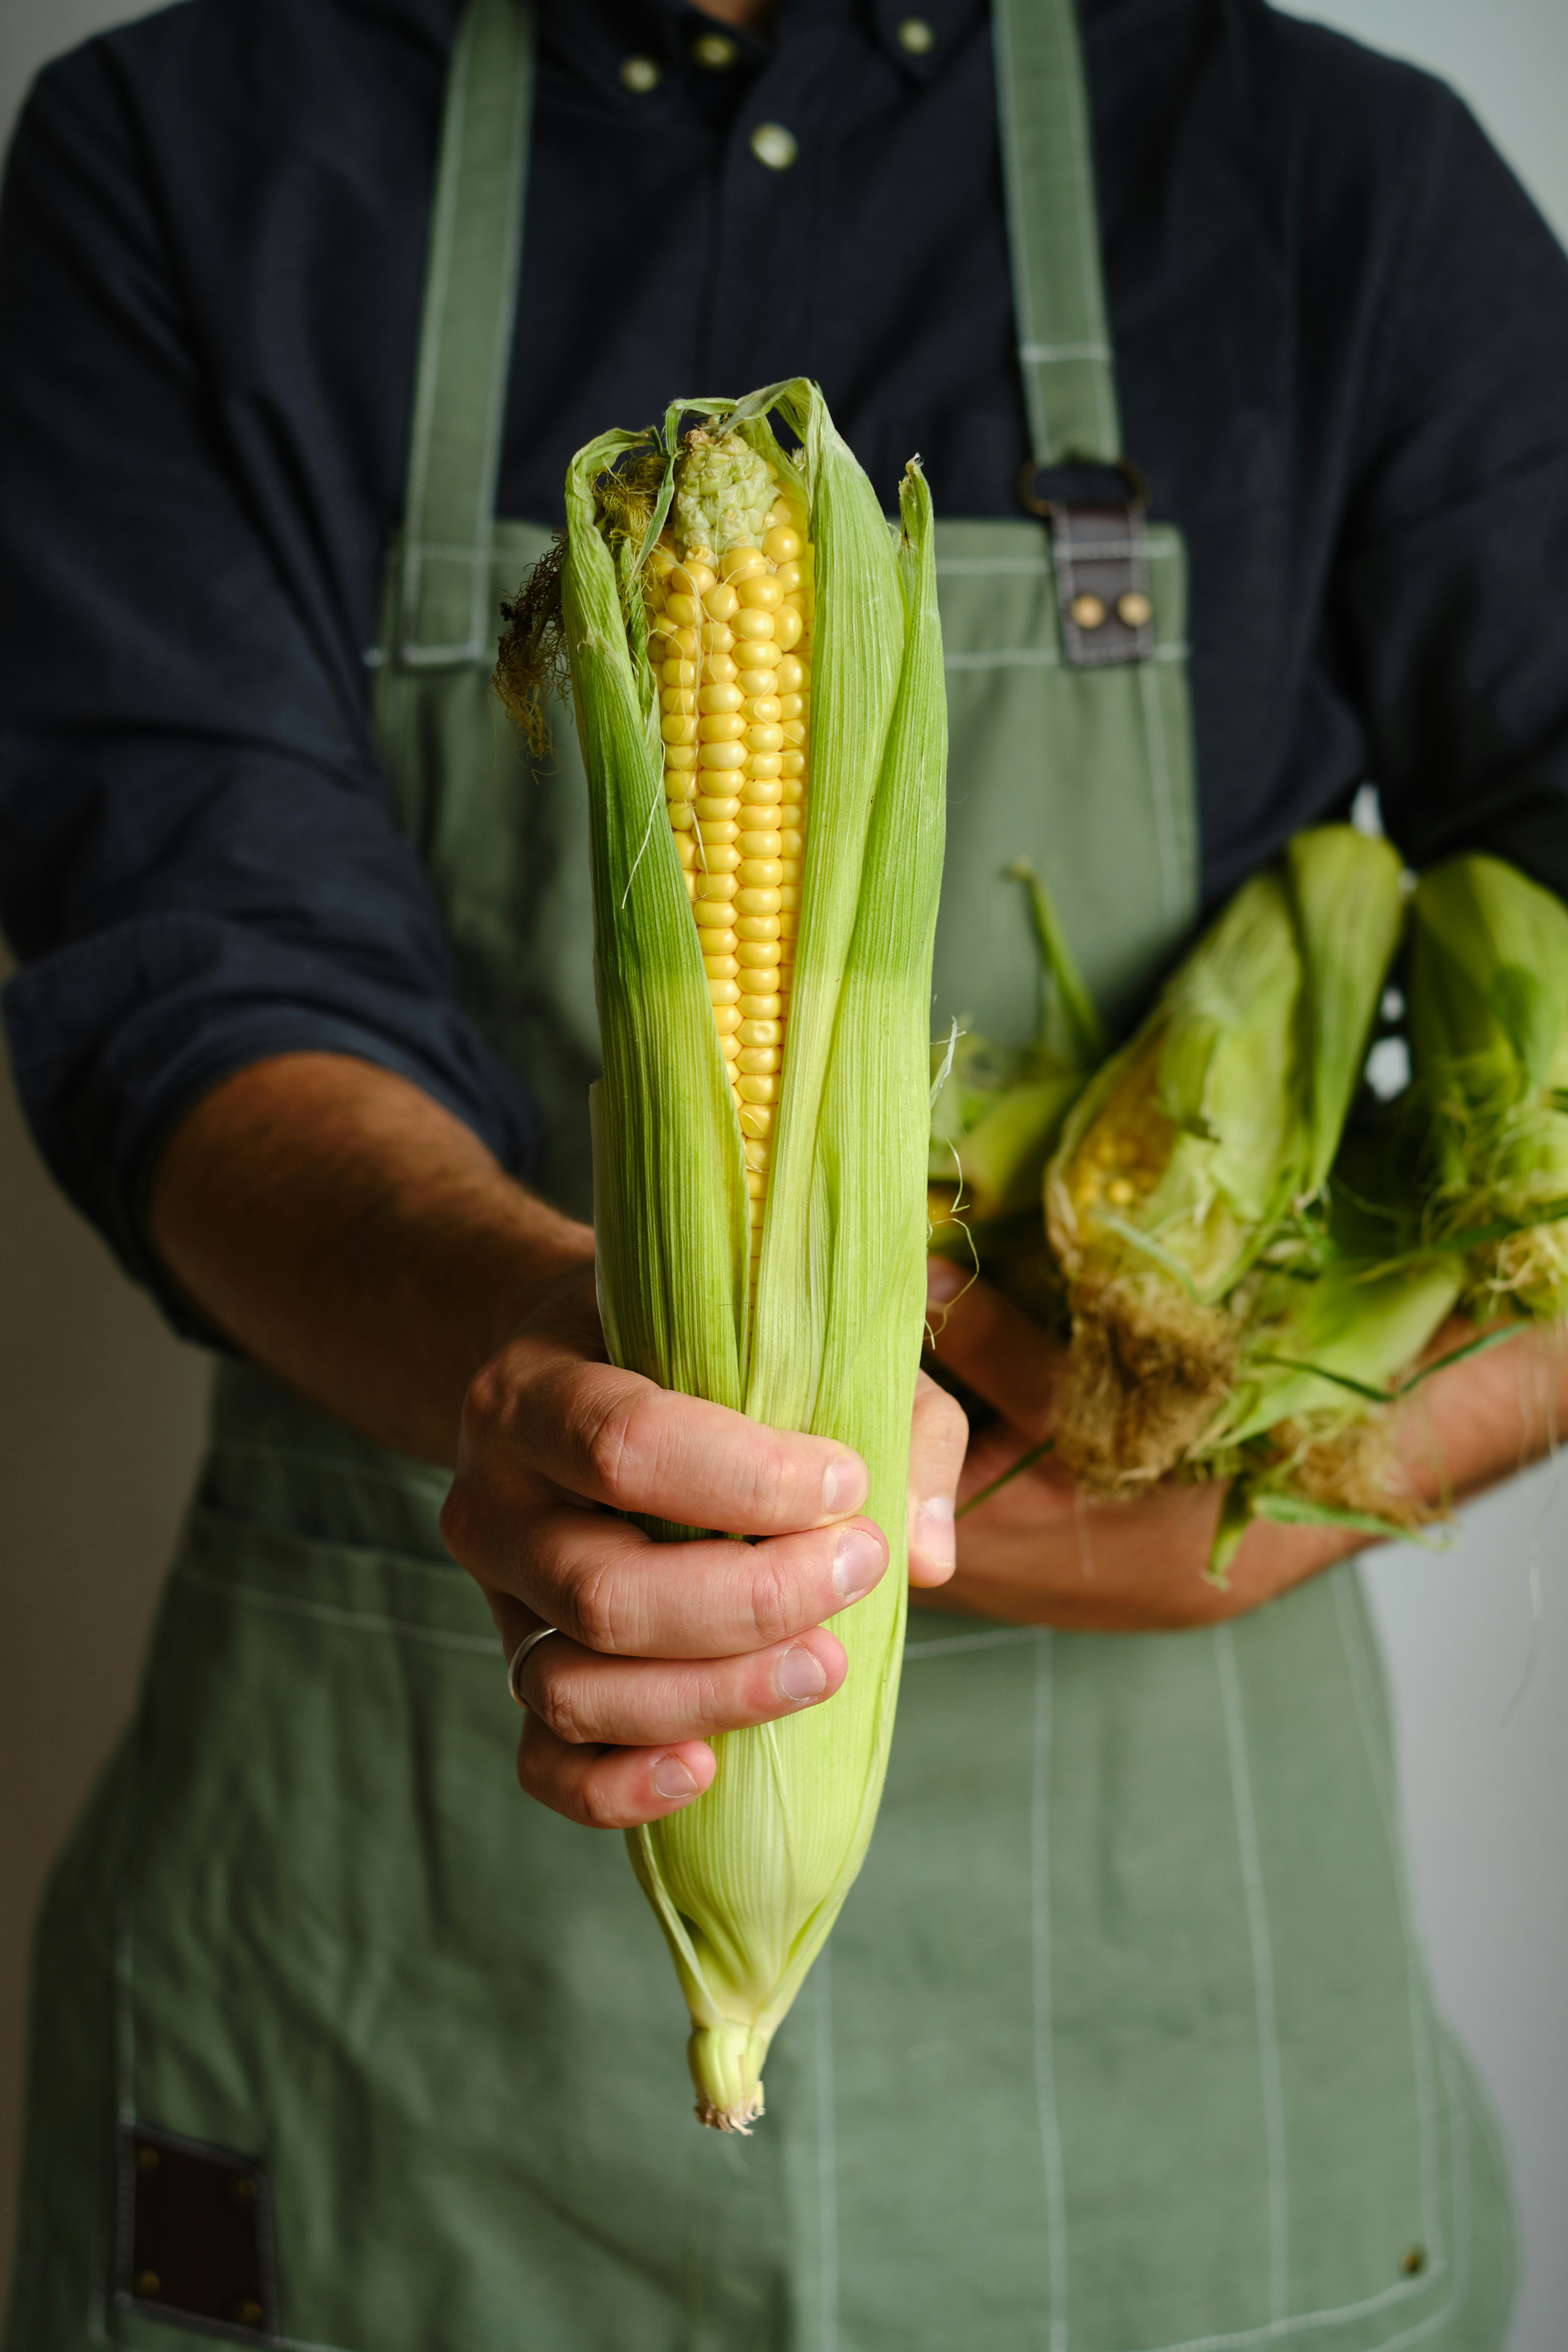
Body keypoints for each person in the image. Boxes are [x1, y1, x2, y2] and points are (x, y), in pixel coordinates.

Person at [3, 0, 1565, 2343]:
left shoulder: (1338, 172)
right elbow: (197, 978)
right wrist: (551, 1357)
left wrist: (1340, 1467)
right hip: (396, 1968)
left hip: (1162, 1962)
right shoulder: (179, 148)